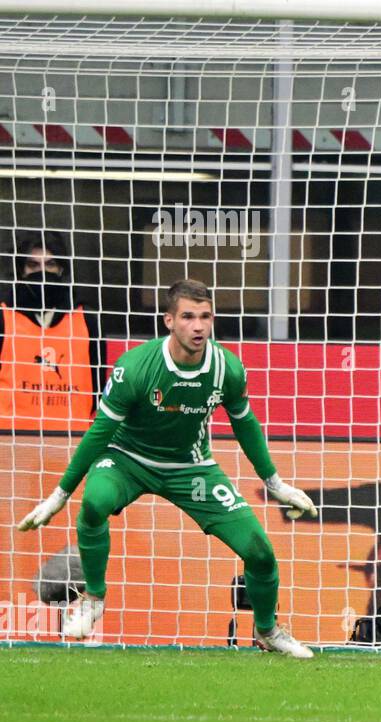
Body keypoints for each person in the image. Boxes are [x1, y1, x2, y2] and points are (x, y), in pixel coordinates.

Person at [17, 278, 320, 657]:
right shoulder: (136, 367)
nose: (198, 326)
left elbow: (245, 422)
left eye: (205, 317)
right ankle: (94, 598)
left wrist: (274, 483)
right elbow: (99, 433)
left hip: (190, 467)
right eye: (188, 317)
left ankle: (268, 631)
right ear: (169, 321)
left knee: (259, 552)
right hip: (128, 459)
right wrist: (59, 495)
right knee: (94, 501)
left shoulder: (227, 367)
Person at [0, 231, 104, 430]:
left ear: (61, 269)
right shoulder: (3, 317)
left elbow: (98, 386)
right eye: (33, 265)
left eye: (50, 265)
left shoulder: (87, 319)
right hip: (10, 444)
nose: (42, 272)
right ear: (21, 270)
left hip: (72, 441)